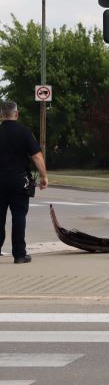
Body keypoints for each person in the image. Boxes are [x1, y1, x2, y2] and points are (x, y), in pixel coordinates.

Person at [0, 101, 48, 263]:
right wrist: (44, 176)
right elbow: (37, 156)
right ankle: (19, 254)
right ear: (17, 114)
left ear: (2, 115)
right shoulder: (25, 132)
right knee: (19, 217)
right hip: (20, 182)